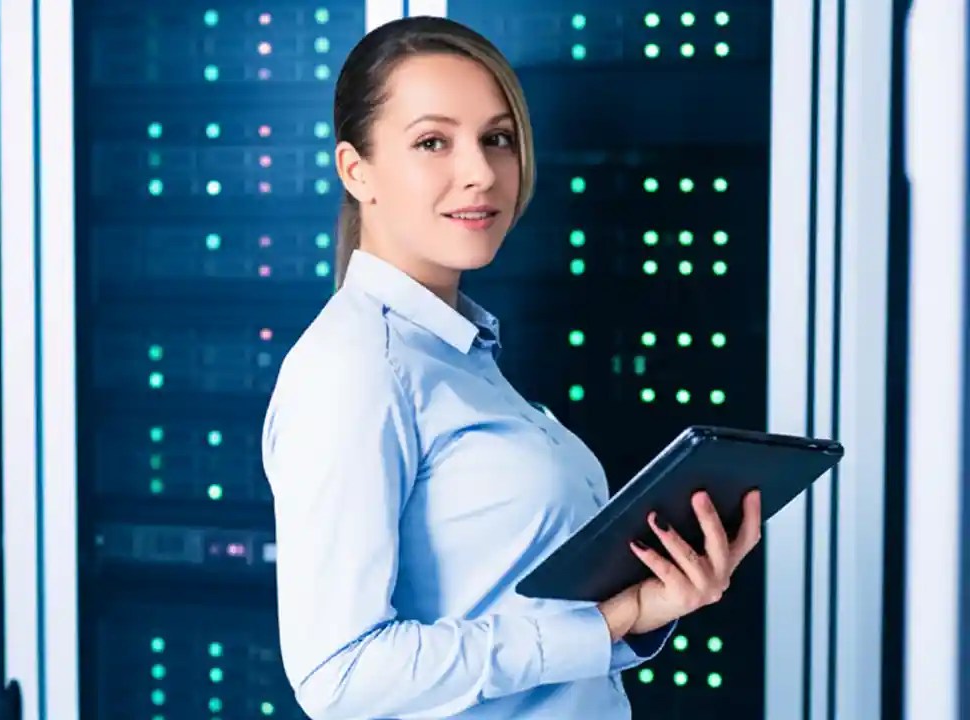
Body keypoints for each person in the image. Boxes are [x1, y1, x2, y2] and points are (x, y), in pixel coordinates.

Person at [260, 16, 763, 720]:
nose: (481, 172)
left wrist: (644, 609)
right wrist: (603, 624)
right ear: (356, 169)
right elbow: (339, 677)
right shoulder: (356, 369)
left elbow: (504, 613)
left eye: (497, 139)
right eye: (433, 142)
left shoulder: (456, 353)